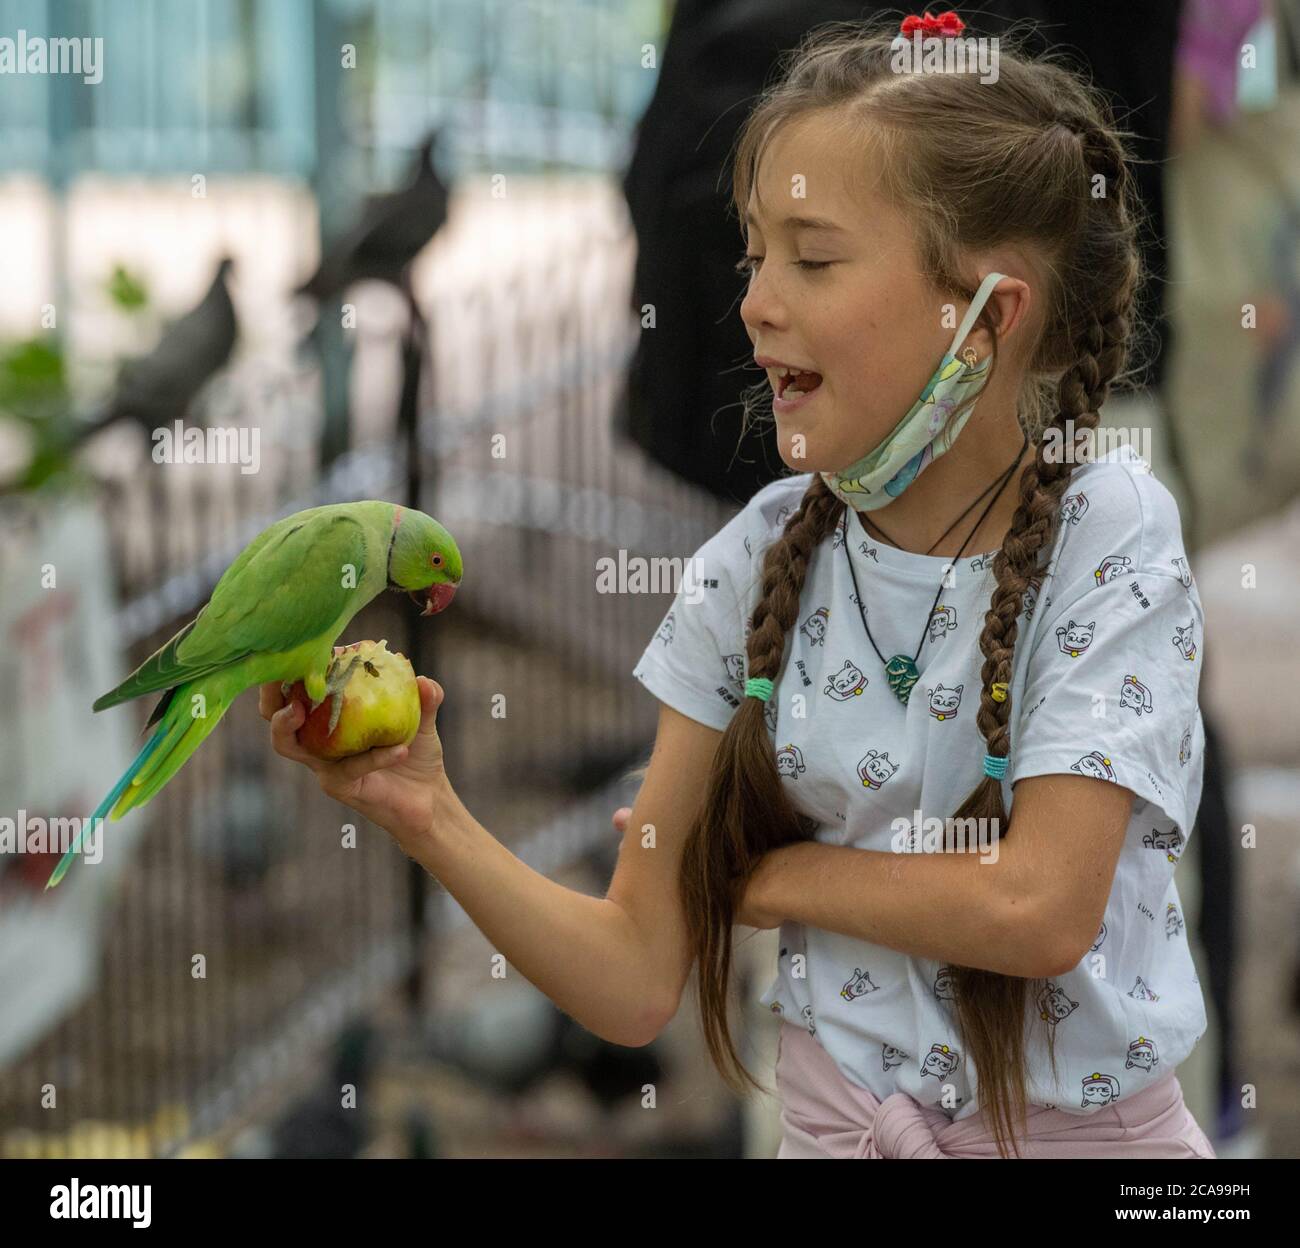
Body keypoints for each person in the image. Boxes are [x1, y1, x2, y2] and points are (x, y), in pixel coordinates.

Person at [259, 15, 1217, 1158]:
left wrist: (787, 877)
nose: (756, 299)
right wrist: (431, 816)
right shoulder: (753, 563)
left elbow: (1040, 907)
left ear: (986, 318)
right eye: (753, 251)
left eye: (812, 257)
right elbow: (631, 978)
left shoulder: (1111, 534)